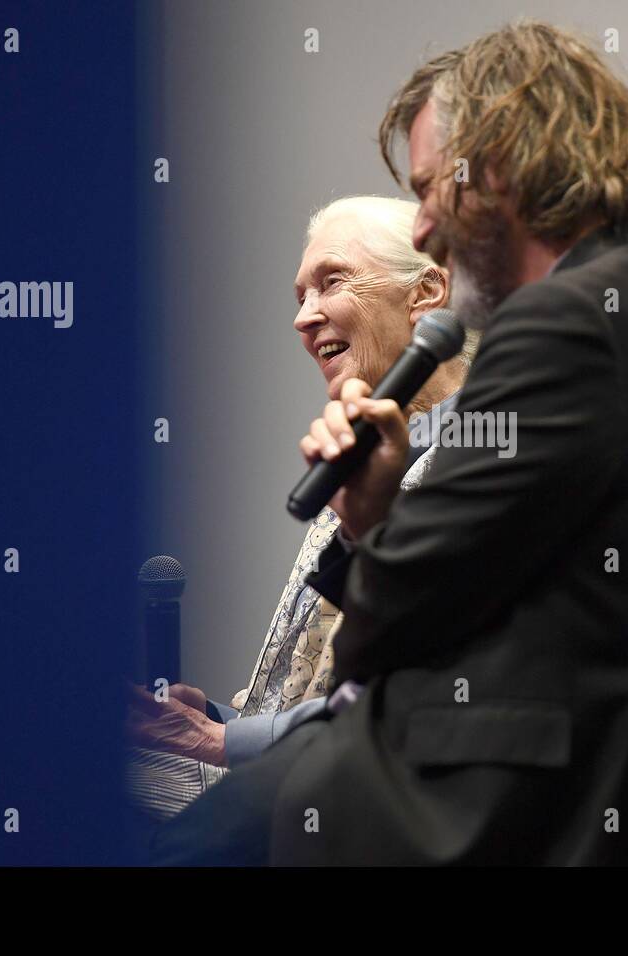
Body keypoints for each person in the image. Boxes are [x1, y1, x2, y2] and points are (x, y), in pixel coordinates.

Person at [149, 19, 628, 865]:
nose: (426, 227)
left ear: (504, 166)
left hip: (485, 809)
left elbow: (384, 629)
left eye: (434, 189)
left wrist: (370, 513)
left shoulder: (568, 324)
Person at [125, 196, 466, 821]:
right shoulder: (375, 458)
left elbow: (413, 693)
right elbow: (316, 689)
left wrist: (219, 742)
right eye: (299, 296)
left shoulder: (476, 461)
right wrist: (211, 720)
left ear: (426, 291)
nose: (304, 318)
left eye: (332, 282)